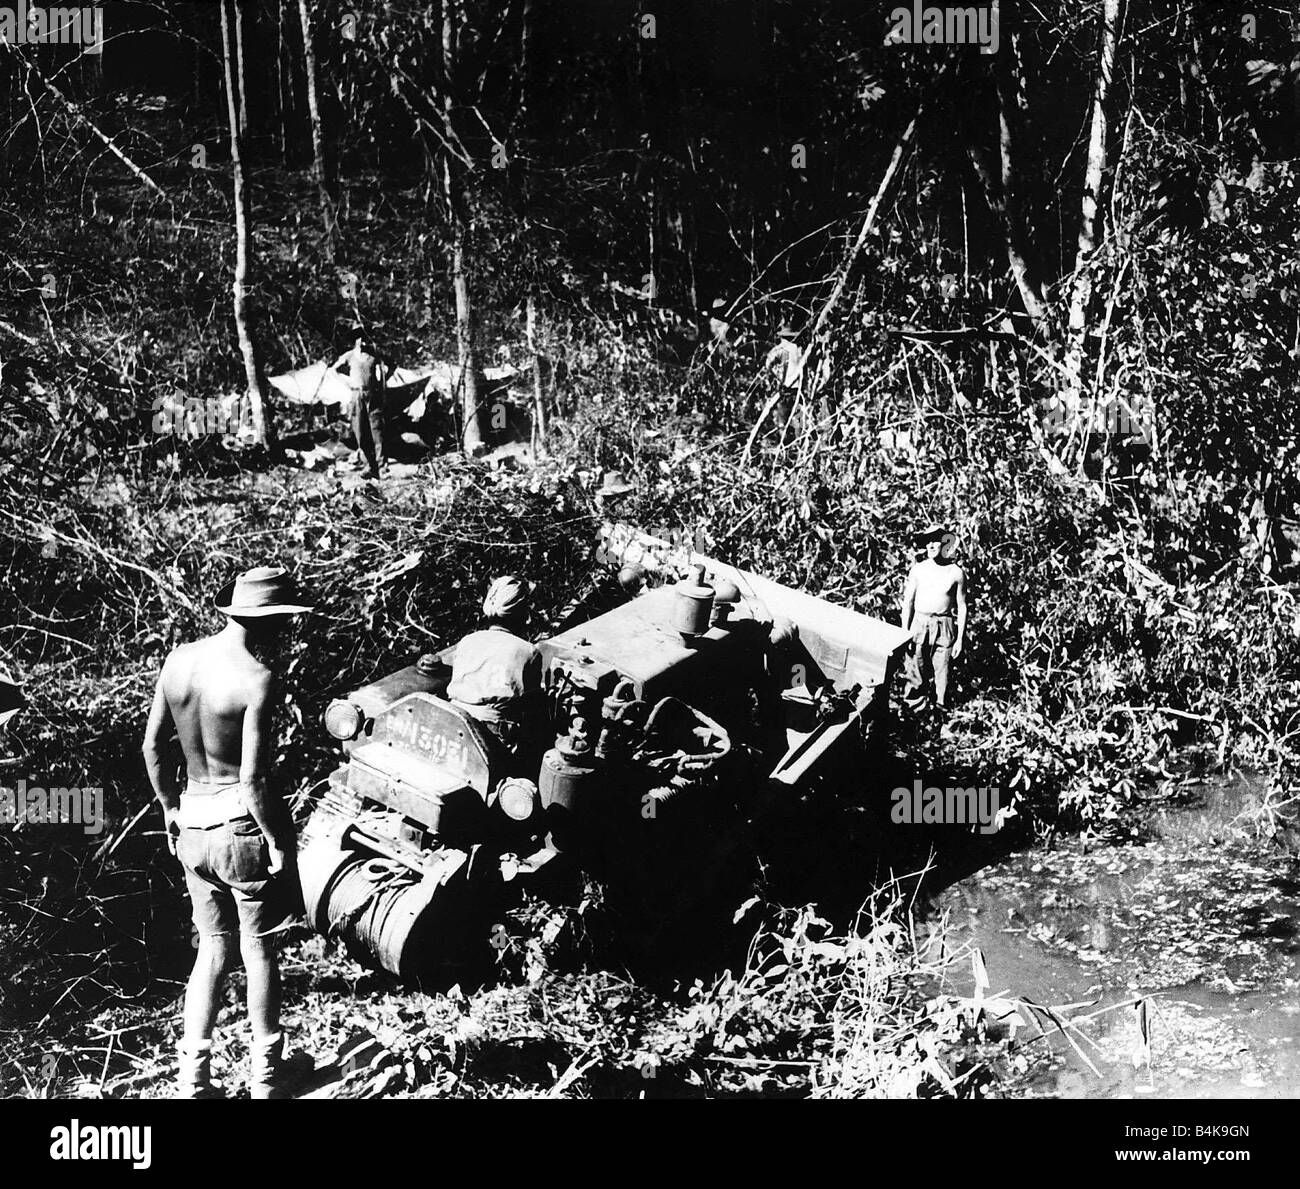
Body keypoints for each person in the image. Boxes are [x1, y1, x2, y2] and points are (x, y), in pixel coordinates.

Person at [141, 566, 315, 1099]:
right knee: (259, 950)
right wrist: (281, 844)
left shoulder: (178, 661)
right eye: (284, 621)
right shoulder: (257, 678)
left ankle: (192, 1079)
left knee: (211, 950)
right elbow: (253, 780)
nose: (287, 631)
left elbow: (152, 749)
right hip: (239, 829)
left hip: (191, 825)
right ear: (272, 621)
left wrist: (171, 808)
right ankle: (265, 1080)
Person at [447, 575, 543, 757]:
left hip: (453, 723)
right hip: (493, 738)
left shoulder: (468, 641)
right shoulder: (528, 652)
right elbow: (533, 709)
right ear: (522, 612)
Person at [900, 524, 967, 713]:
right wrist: (904, 633)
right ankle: (913, 715)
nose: (930, 545)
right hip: (919, 625)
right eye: (927, 541)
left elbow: (962, 607)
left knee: (942, 673)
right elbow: (908, 603)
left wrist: (959, 639)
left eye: (935, 540)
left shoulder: (956, 573)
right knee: (915, 671)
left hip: (944, 626)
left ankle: (939, 715)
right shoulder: (918, 570)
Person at [333, 326, 387, 479]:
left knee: (377, 432)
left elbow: (391, 364)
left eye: (365, 337)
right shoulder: (349, 356)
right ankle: (370, 465)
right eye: (359, 337)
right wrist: (347, 382)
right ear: (355, 340)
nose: (363, 341)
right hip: (356, 396)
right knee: (360, 433)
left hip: (372, 395)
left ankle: (382, 468)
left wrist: (382, 382)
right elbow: (334, 369)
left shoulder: (374, 354)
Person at [761, 322, 804, 431]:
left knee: (782, 419)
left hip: (785, 388)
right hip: (798, 388)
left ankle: (784, 443)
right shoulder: (799, 349)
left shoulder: (779, 349)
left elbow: (767, 365)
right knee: (797, 418)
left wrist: (775, 375)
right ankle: (798, 442)